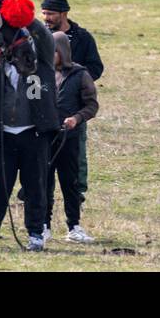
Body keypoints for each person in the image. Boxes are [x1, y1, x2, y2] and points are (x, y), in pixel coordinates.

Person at [0, 0, 59, 252]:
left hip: (34, 134)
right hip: (3, 134)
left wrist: (26, 18)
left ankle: (35, 233)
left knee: (35, 187)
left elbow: (43, 37)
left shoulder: (41, 61)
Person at [41, 0, 102, 204]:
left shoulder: (83, 38)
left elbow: (96, 66)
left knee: (77, 151)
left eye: (51, 14)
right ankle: (35, 189)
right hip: (45, 103)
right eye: (44, 13)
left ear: (64, 14)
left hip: (74, 106)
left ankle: (77, 190)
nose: (46, 18)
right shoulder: (38, 36)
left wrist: (80, 82)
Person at [47, 32, 99, 242]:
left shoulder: (80, 74)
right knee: (43, 183)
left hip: (70, 139)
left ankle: (74, 226)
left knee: (71, 183)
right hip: (46, 138)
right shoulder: (42, 74)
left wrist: (76, 119)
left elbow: (92, 105)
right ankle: (43, 226)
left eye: (53, 52)